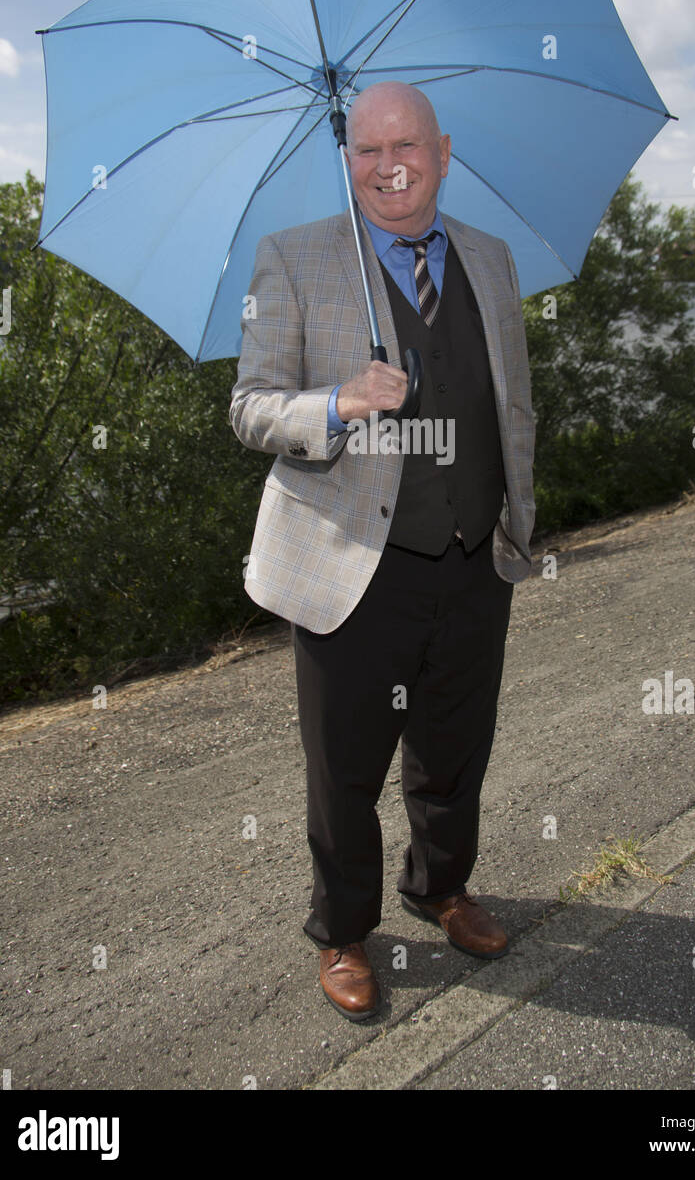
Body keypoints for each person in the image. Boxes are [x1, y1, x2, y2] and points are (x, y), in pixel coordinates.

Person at [229, 81, 535, 1022]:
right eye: (367, 150)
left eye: (406, 144)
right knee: (345, 768)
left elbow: (511, 403)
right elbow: (249, 408)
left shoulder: (491, 258)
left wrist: (515, 517)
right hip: (352, 566)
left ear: (442, 152)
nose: (388, 163)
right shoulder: (291, 259)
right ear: (348, 159)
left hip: (475, 555)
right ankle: (345, 932)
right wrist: (340, 405)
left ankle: (440, 888)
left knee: (455, 750)